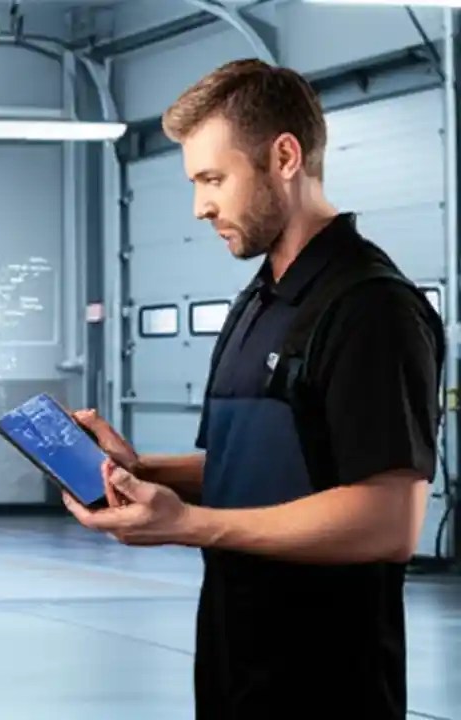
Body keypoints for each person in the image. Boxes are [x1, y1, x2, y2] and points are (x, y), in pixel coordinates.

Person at [62, 58, 444, 719]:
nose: (200, 205)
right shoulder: (255, 303)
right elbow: (250, 469)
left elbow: (389, 522)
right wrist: (137, 470)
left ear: (285, 157)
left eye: (213, 178)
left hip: (330, 688)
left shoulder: (370, 307)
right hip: (234, 671)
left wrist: (188, 526)